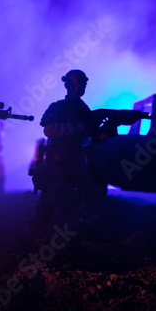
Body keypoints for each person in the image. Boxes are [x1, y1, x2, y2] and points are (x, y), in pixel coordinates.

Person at [32, 70, 107, 229]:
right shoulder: (58, 107)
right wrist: (81, 127)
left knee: (93, 193)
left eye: (82, 84)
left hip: (76, 160)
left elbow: (92, 139)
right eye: (75, 84)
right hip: (56, 159)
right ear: (68, 86)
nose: (79, 87)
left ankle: (89, 227)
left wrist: (105, 132)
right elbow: (49, 129)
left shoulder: (85, 110)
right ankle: (37, 228)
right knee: (51, 194)